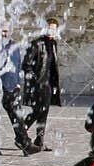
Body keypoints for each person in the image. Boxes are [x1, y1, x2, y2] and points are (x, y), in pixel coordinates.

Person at [0, 25, 38, 156]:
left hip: (11, 88)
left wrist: (17, 83)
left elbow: (17, 66)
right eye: (2, 31)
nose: (4, 33)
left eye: (6, 31)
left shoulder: (14, 47)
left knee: (16, 116)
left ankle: (24, 143)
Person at [22, 18, 63, 150]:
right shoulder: (36, 43)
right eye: (49, 28)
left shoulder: (54, 44)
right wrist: (35, 82)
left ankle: (39, 140)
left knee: (44, 112)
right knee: (37, 111)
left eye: (54, 28)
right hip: (38, 84)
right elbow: (26, 65)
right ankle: (21, 132)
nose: (51, 31)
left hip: (48, 85)